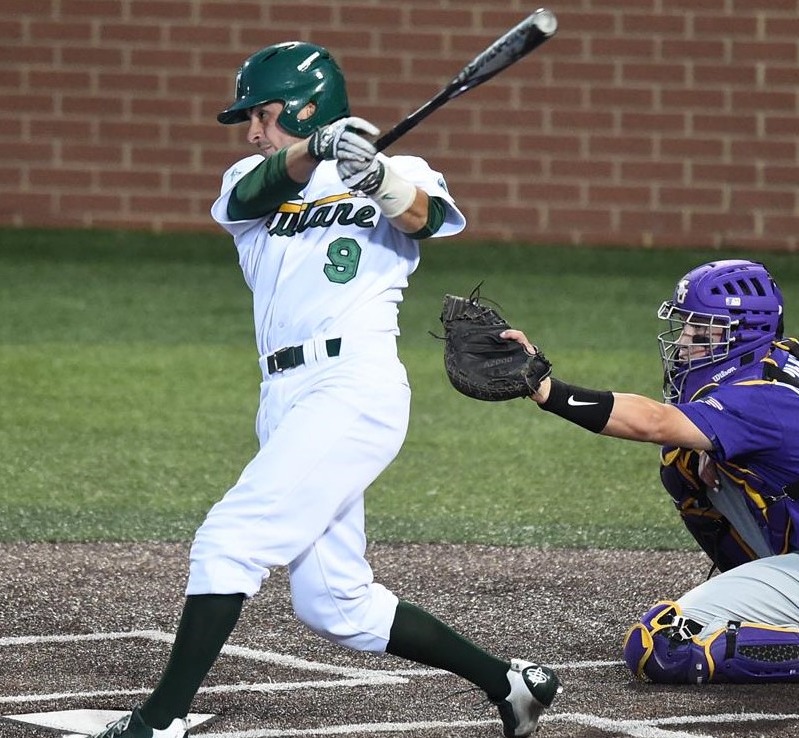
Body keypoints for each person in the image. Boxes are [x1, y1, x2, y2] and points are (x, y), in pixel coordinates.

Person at [89, 41, 561, 738]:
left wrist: (377, 179)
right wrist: (313, 151)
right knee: (334, 603)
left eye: (265, 115)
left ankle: (159, 721)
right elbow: (256, 190)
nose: (252, 131)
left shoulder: (401, 170)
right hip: (282, 395)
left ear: (310, 107)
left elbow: (424, 217)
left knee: (230, 539)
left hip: (354, 386)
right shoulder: (250, 178)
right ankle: (512, 683)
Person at [501, 258, 799, 692]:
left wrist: (546, 391)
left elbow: (654, 422)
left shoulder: (759, 404)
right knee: (687, 458)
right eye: (687, 328)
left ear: (742, 334)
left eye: (701, 331)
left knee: (663, 645)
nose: (685, 343)